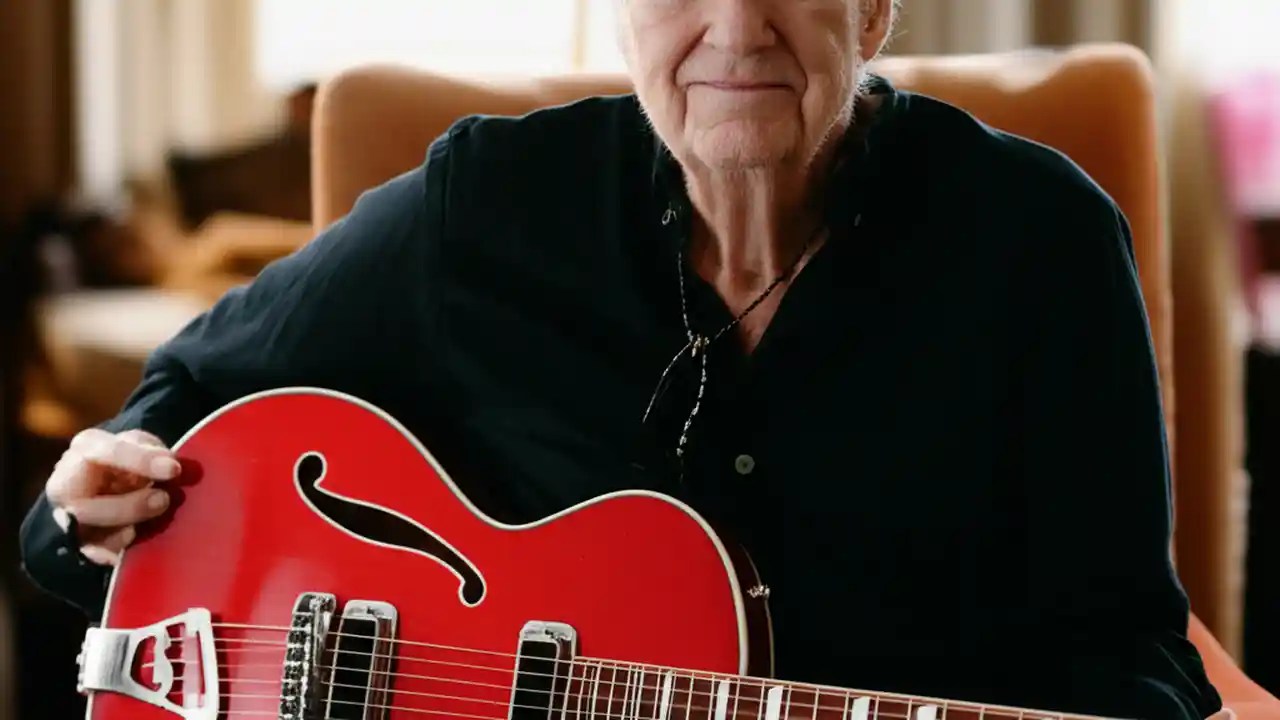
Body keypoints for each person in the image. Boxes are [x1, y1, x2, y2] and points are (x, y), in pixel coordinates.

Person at [19, 1, 1225, 718]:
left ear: (871, 6)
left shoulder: (1040, 242)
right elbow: (173, 418)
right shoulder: (480, 205)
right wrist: (91, 507)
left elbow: (1126, 654)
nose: (736, 27)